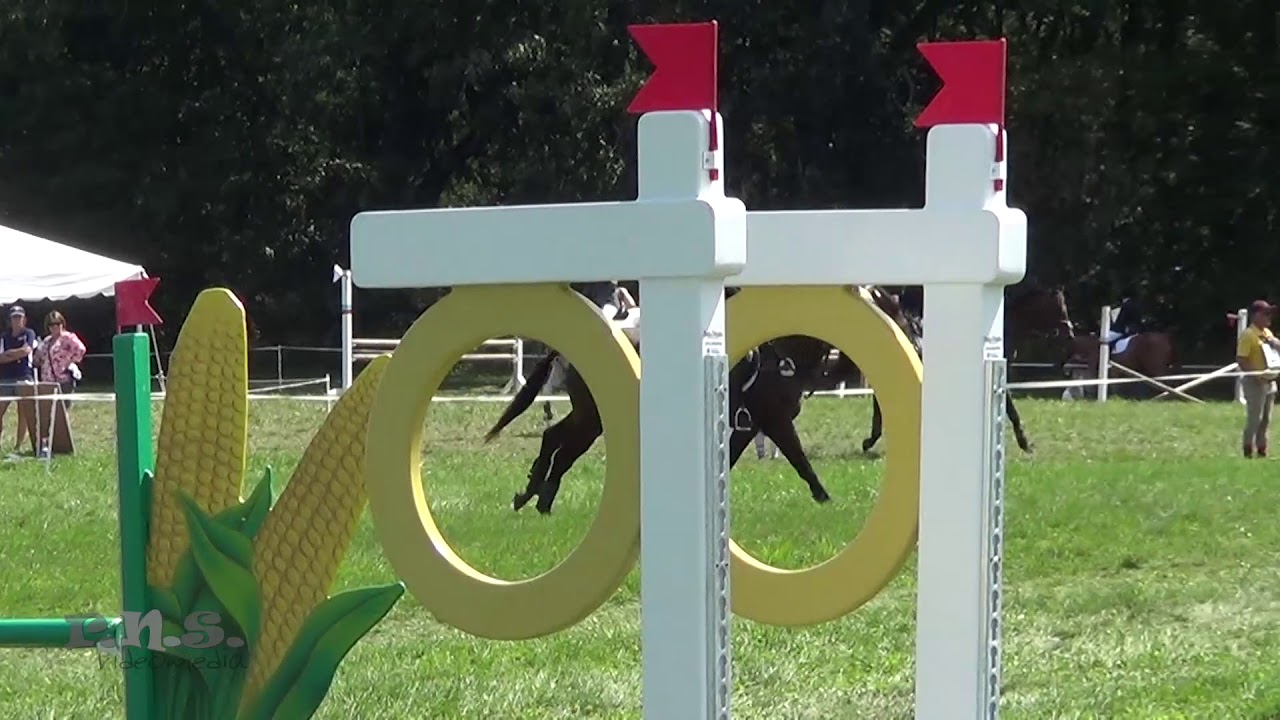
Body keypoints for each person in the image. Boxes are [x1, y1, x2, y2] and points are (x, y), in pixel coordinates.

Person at [1235, 299, 1280, 458]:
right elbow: (1241, 360)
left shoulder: (1268, 333)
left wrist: (1275, 343)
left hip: (1269, 382)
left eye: (1270, 314)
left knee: (1266, 419)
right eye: (1265, 314)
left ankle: (1262, 450)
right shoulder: (1248, 335)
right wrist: (1257, 375)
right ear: (1255, 315)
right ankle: (1247, 450)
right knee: (1255, 418)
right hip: (1255, 382)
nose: (1269, 317)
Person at [0, 306, 39, 451]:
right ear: (10, 320)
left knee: (23, 412)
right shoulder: (4, 337)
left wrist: (10, 354)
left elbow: (27, 350)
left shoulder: (29, 333)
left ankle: (18, 445)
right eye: (14, 318)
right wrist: (15, 354)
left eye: (19, 317)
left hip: (24, 375)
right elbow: (1, 358)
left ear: (24, 319)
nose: (17, 320)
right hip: (5, 378)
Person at [33, 310, 86, 395]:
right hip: (47, 380)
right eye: (51, 324)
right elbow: (38, 358)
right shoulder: (46, 340)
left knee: (63, 406)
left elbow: (81, 349)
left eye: (57, 323)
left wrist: (69, 362)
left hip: (64, 380)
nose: (55, 327)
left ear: (62, 324)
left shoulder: (68, 337)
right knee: (48, 407)